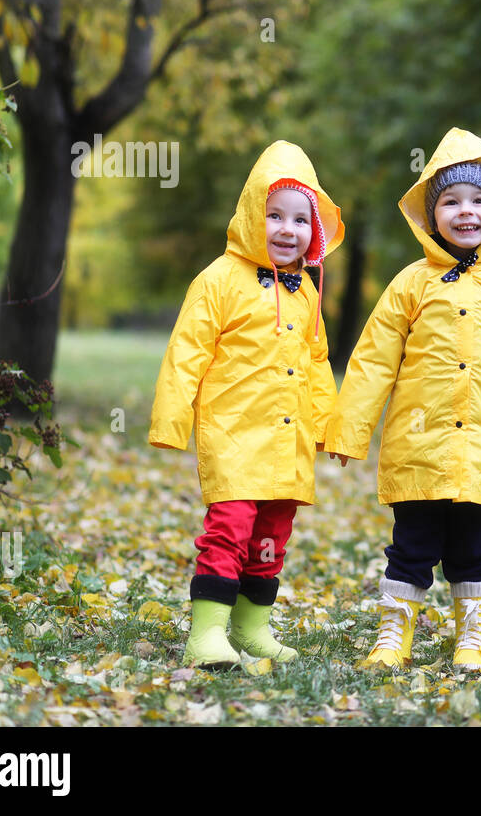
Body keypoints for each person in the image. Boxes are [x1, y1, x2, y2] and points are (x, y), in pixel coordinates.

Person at [325, 127, 481, 672]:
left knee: (473, 548)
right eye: (451, 202)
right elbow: (373, 362)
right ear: (431, 214)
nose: (465, 212)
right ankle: (393, 636)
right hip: (416, 447)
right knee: (411, 545)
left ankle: (473, 638)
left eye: (479, 201)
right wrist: (348, 432)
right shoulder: (410, 284)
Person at [149, 140, 344, 669]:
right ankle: (206, 634)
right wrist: (172, 420)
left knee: (270, 539)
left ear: (315, 230)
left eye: (300, 220)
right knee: (230, 529)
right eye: (273, 215)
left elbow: (317, 359)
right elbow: (186, 351)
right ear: (249, 216)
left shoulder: (306, 290)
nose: (286, 229)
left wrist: (329, 427)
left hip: (289, 440)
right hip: (233, 434)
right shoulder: (218, 280)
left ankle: (251, 626)